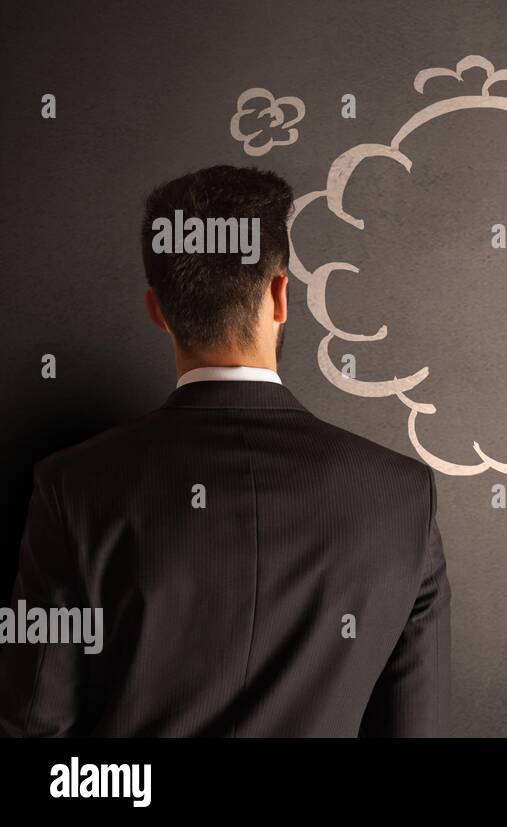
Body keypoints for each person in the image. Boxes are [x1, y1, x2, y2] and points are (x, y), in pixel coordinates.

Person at [0, 166, 450, 736]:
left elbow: (34, 725)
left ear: (157, 310)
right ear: (281, 294)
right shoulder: (403, 494)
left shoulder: (71, 486)